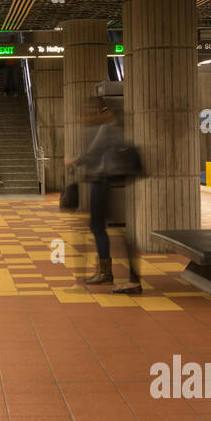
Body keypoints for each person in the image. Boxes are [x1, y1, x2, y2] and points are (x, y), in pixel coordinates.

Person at [66, 103, 142, 293]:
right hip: (103, 181)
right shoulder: (112, 128)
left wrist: (74, 160)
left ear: (104, 113)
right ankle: (110, 273)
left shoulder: (106, 129)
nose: (85, 118)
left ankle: (119, 277)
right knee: (104, 228)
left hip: (101, 182)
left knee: (100, 228)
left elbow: (93, 153)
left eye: (92, 112)